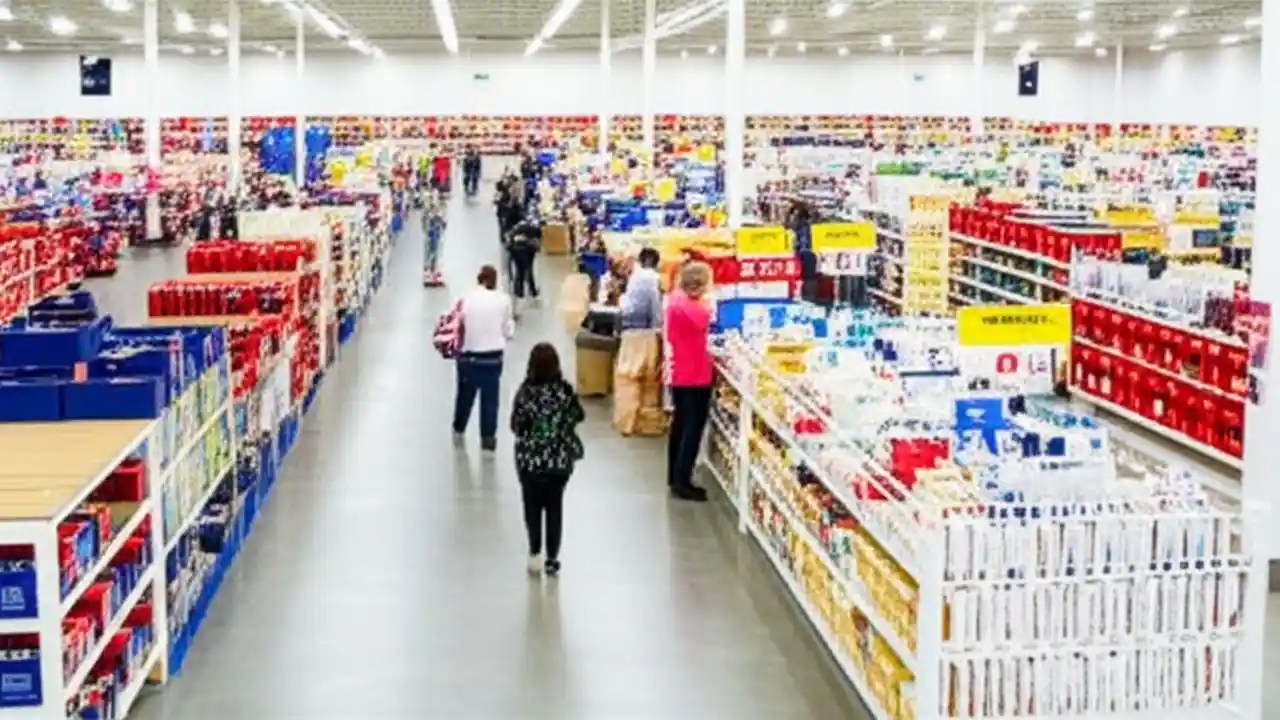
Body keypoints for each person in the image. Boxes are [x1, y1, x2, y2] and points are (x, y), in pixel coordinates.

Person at [510, 342, 584, 576]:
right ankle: (552, 558)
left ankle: (534, 552)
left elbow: (516, 426)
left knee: (532, 508)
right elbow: (578, 415)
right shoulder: (565, 391)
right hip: (559, 461)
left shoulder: (526, 393)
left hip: (530, 462)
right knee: (555, 508)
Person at [664, 262, 715, 502]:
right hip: (696, 375)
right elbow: (705, 321)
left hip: (679, 372)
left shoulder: (674, 301)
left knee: (680, 424)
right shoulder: (697, 310)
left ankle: (674, 474)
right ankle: (683, 480)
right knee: (692, 429)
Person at [453, 265, 515, 452]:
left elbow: (455, 325)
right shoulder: (503, 300)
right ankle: (488, 438)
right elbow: (508, 331)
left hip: (468, 356)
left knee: (465, 394)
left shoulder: (464, 299)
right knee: (490, 399)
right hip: (492, 358)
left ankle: (459, 426)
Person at [620, 247, 663, 331]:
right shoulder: (653, 277)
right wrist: (657, 328)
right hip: (641, 323)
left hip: (625, 318)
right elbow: (655, 305)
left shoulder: (635, 275)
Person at [506, 212, 541, 303]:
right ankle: (532, 292)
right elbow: (539, 235)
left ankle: (518, 291)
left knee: (519, 271)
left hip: (515, 252)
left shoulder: (515, 229)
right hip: (527, 252)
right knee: (529, 271)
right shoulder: (532, 228)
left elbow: (509, 241)